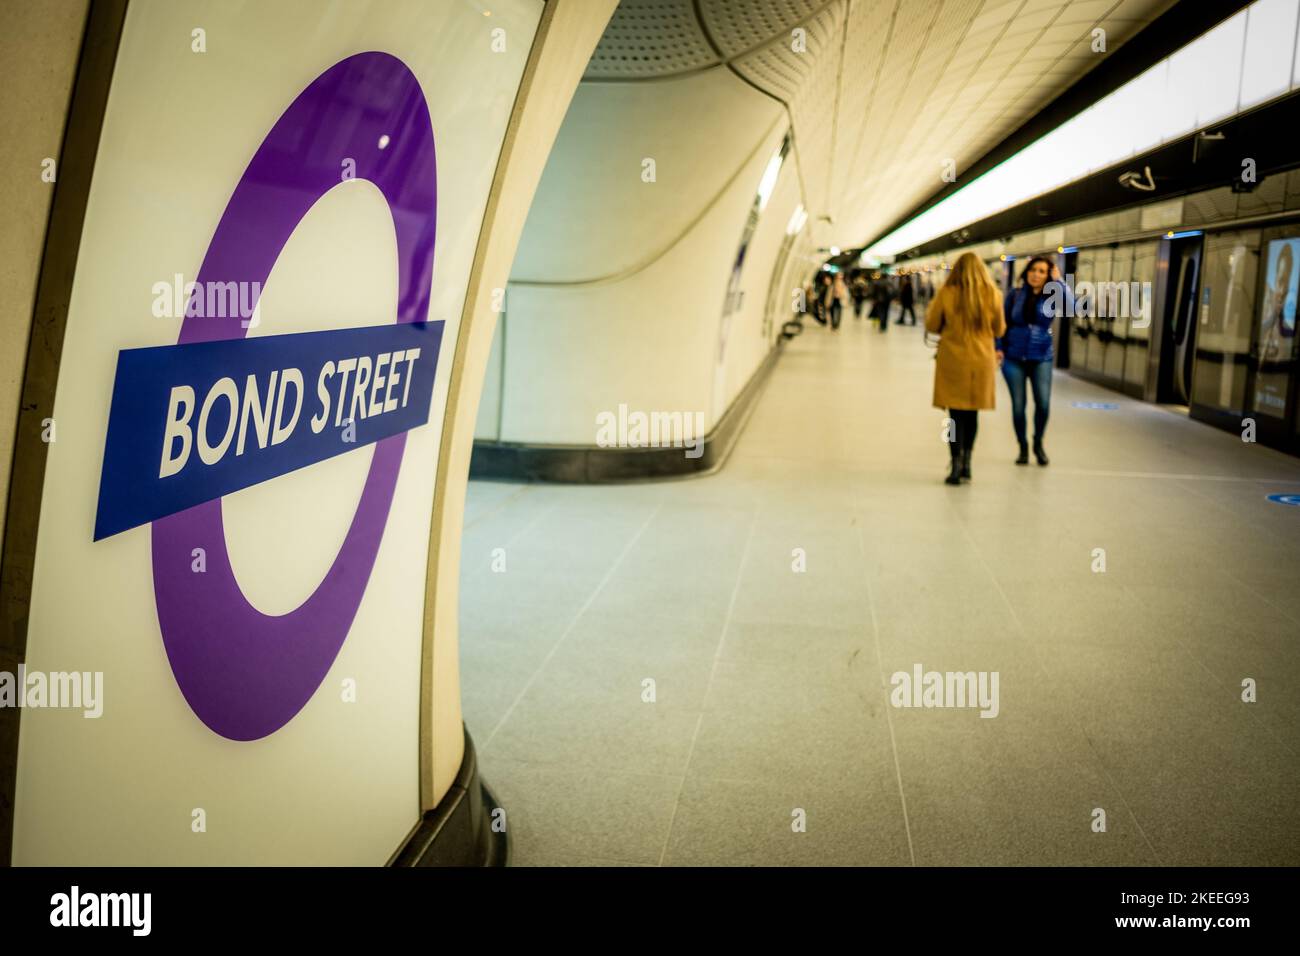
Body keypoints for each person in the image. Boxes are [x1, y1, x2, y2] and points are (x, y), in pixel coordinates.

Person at [925, 252, 1006, 485]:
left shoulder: (946, 293)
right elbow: (999, 329)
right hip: (981, 360)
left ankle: (955, 462)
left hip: (953, 360)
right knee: (972, 414)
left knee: (953, 416)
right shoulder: (994, 294)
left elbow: (932, 324)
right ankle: (968, 462)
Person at [999, 255, 1069, 465]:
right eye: (1032, 270)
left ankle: (1038, 441)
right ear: (1026, 272)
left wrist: (1060, 281)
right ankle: (1022, 446)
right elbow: (1002, 322)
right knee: (1018, 406)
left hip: (1041, 356)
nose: (1036, 274)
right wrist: (998, 348)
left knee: (1044, 403)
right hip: (1013, 357)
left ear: (1048, 275)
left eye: (1041, 271)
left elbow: (1073, 305)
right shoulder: (1015, 294)